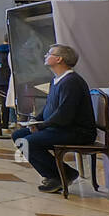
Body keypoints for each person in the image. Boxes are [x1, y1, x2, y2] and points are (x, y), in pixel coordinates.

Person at [11, 44, 97, 193]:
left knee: (29, 142)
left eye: (49, 53)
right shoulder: (57, 80)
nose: (45, 55)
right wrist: (35, 120)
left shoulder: (71, 81)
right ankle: (56, 175)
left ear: (59, 59)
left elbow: (65, 114)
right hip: (61, 127)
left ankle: (62, 175)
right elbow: (49, 107)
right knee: (19, 136)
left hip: (77, 131)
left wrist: (41, 126)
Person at [0, 35, 13, 126]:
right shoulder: (14, 49)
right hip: (13, 78)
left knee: (4, 101)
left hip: (2, 78)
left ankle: (5, 122)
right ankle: (15, 121)